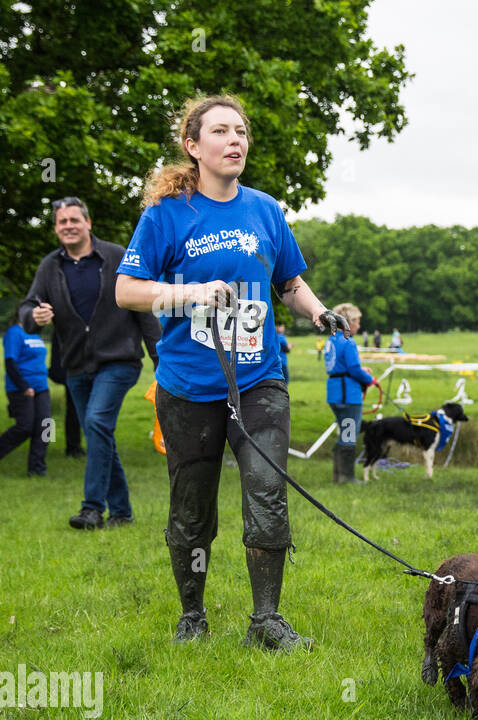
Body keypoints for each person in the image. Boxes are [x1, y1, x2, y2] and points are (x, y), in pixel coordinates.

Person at [115, 94, 348, 650]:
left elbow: (288, 281)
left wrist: (317, 310)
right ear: (193, 147)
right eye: (221, 131)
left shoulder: (265, 210)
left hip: (259, 380)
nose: (235, 140)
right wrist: (188, 293)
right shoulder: (165, 215)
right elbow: (127, 290)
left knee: (268, 492)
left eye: (241, 131)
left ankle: (266, 622)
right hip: (188, 387)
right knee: (192, 508)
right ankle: (192, 616)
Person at [19, 196, 161, 529]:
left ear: (88, 223)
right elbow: (26, 309)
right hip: (75, 366)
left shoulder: (117, 256)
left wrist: (160, 361)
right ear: (56, 228)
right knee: (99, 434)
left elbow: (145, 308)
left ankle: (92, 508)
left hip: (119, 360)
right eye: (61, 222)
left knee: (97, 422)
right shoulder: (49, 267)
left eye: (73, 220)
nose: (68, 226)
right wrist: (34, 316)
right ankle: (122, 513)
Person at [323, 302, 376, 483]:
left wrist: (361, 370)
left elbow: (342, 365)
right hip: (348, 394)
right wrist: (370, 380)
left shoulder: (332, 340)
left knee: (344, 431)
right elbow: (353, 368)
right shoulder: (348, 340)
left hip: (334, 392)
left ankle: (338, 475)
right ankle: (347, 477)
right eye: (357, 321)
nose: (359, 326)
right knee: (349, 433)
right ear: (349, 321)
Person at [0, 313, 50, 476]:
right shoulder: (14, 333)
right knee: (24, 427)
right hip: (21, 388)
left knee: (47, 427)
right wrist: (24, 387)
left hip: (42, 387)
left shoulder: (35, 333)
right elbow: (10, 362)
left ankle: (37, 469)